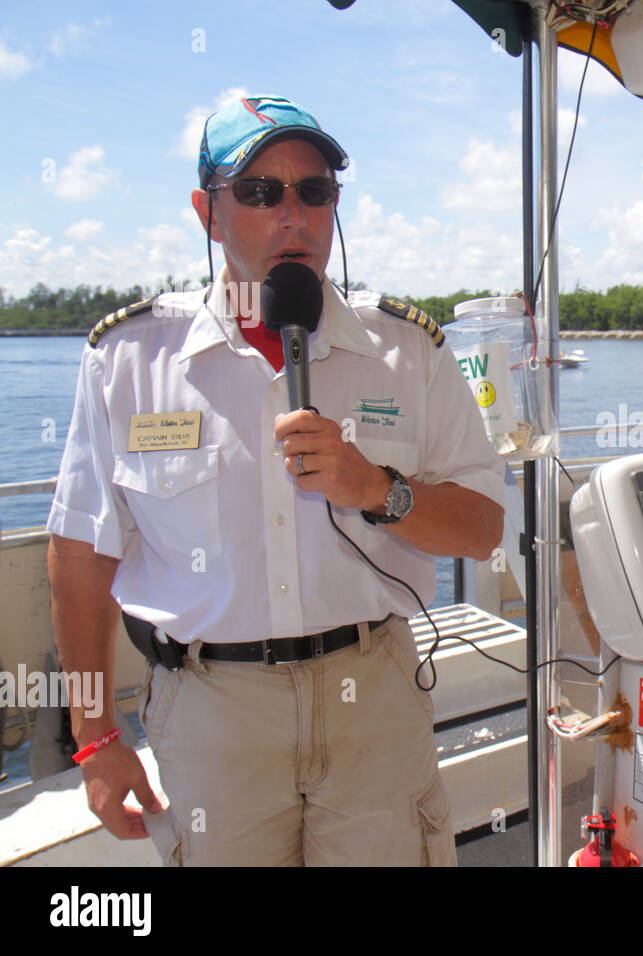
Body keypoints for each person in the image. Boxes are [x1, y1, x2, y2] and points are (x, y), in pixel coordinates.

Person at [45, 94, 506, 866]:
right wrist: (93, 739)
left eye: (314, 191)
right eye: (260, 192)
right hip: (212, 711)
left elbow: (483, 526)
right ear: (208, 212)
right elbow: (80, 556)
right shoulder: (129, 360)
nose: (292, 213)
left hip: (373, 692)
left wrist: (377, 490)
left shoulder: (407, 350)